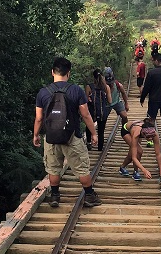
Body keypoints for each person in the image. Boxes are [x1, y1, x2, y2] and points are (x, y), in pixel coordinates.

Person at [33, 56, 101, 208]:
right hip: (72, 136)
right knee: (81, 167)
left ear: (52, 72)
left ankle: (55, 196)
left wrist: (36, 135)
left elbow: (39, 118)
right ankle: (89, 196)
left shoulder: (43, 93)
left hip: (51, 137)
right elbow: (85, 114)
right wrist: (93, 133)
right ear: (68, 73)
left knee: (53, 167)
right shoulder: (76, 90)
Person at [118, 116, 161, 181]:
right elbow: (134, 158)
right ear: (143, 134)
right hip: (126, 131)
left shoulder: (154, 134)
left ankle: (122, 167)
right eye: (148, 137)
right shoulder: (136, 134)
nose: (150, 139)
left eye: (151, 137)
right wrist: (144, 170)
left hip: (138, 129)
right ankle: (136, 171)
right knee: (139, 151)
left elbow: (158, 154)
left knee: (131, 153)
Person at [85, 68, 112, 151]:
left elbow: (85, 100)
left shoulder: (89, 86)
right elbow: (110, 101)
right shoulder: (106, 87)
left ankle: (89, 143)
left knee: (89, 126)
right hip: (102, 112)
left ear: (93, 77)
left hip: (92, 111)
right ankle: (100, 147)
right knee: (101, 131)